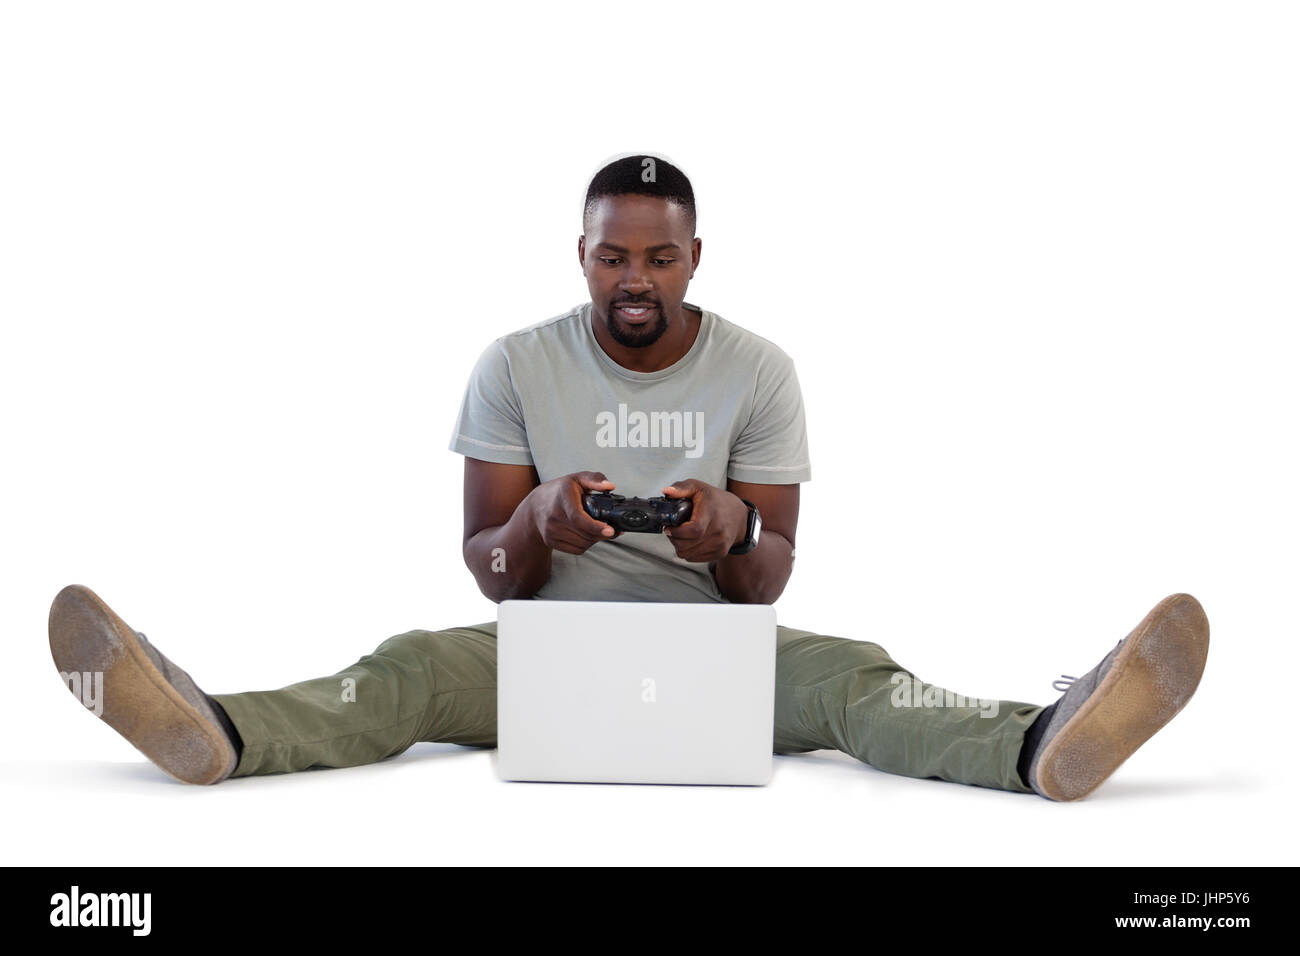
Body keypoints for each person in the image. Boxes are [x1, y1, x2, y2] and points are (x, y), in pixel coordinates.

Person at [47, 154, 1210, 801]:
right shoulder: (513, 363)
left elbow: (768, 582)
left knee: (861, 681)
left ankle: (1041, 736)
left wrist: (732, 526)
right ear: (583, 255)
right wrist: (543, 523)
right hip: (541, 649)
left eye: (659, 255)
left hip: (722, 650)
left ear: (693, 255)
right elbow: (492, 574)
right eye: (613, 256)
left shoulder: (760, 368)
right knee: (398, 671)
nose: (635, 279)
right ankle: (213, 725)